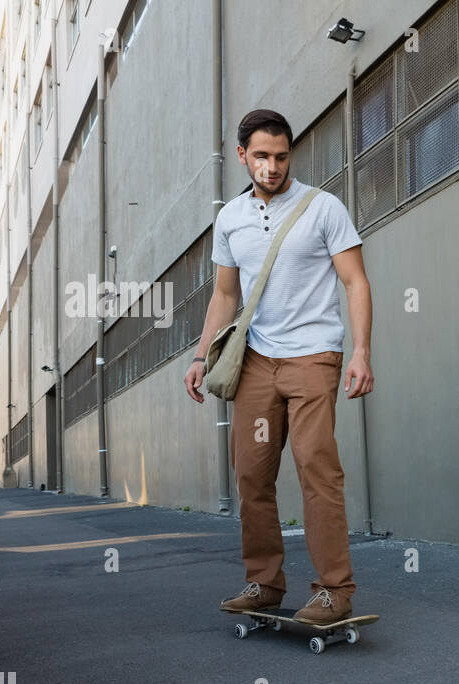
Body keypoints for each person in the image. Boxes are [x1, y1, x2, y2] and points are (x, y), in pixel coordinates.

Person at [185, 108, 373, 624]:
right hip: (257, 363)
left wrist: (360, 351)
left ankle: (334, 589)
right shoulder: (230, 219)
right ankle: (264, 583)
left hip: (314, 357)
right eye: (261, 156)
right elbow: (225, 295)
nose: (272, 166)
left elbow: (355, 281)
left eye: (282, 156)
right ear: (243, 155)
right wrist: (202, 356)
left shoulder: (322, 208)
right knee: (251, 473)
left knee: (317, 468)